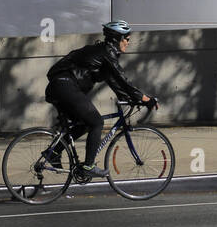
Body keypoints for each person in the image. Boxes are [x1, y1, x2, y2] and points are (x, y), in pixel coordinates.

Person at [42, 20, 156, 178]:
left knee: (84, 124)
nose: (129, 43)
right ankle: (88, 166)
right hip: (66, 86)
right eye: (127, 39)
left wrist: (129, 98)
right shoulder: (107, 52)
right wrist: (145, 98)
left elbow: (114, 82)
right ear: (118, 38)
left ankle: (54, 152)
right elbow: (122, 78)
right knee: (97, 122)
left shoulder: (101, 53)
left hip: (60, 87)